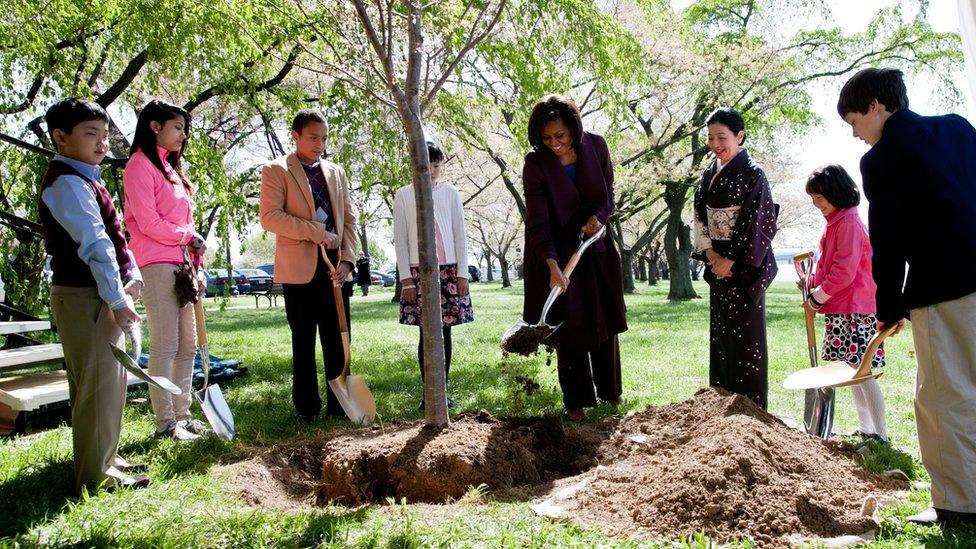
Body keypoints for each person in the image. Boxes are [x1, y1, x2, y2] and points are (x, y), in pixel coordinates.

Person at [838, 67, 976, 526]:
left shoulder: (882, 158)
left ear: (877, 106)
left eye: (854, 120)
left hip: (945, 288)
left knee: (944, 397)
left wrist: (889, 307)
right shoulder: (958, 126)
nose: (856, 134)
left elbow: (890, 240)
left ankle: (958, 506)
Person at [38, 98, 148, 492]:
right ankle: (95, 474)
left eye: (104, 135)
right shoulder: (66, 182)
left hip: (98, 292)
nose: (103, 143)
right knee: (96, 385)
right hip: (82, 295)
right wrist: (118, 300)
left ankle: (107, 455)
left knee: (111, 381)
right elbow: (95, 244)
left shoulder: (87, 177)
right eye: (91, 135)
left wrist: (130, 277)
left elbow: (116, 241)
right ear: (61, 138)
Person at [521, 94, 627, 421]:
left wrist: (599, 218)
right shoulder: (535, 164)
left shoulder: (596, 146)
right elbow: (538, 222)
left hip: (594, 249)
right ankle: (576, 402)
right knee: (569, 327)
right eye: (547, 138)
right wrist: (552, 266)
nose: (554, 143)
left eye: (560, 136)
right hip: (557, 252)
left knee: (602, 322)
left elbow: (607, 195)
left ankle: (611, 394)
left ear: (573, 130)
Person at [259, 109, 358, 422]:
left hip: (335, 271)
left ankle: (341, 406)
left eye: (324, 138)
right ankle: (307, 408)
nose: (320, 144)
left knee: (338, 339)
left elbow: (350, 219)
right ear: (296, 136)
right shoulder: (276, 170)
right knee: (303, 341)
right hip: (298, 272)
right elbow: (270, 217)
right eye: (314, 137)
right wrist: (318, 233)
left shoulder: (335, 172)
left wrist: (348, 260)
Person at [123, 100, 208, 441]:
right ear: (155, 126)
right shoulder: (139, 166)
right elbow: (147, 222)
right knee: (166, 344)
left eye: (184, 129)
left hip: (182, 264)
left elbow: (185, 225)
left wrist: (196, 262)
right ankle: (165, 423)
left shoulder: (171, 169)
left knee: (187, 344)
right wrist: (188, 235)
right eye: (177, 127)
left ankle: (183, 415)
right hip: (157, 264)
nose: (183, 135)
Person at [692, 107, 777, 410]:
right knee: (722, 337)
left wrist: (732, 261)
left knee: (747, 340)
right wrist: (713, 255)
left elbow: (760, 222)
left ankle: (752, 409)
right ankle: (722, 404)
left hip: (743, 271)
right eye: (711, 138)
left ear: (739, 136)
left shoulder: (754, 174)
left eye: (722, 137)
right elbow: (700, 218)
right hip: (718, 266)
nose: (716, 144)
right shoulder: (707, 174)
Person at [802, 165, 887, 442]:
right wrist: (812, 282)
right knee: (850, 371)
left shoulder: (849, 223)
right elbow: (829, 267)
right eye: (813, 198)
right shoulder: (836, 223)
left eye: (819, 197)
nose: (816, 204)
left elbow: (844, 272)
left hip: (856, 310)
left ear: (835, 192)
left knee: (862, 372)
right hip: (842, 308)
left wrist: (817, 298)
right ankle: (866, 428)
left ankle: (881, 434)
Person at [393, 142, 473, 410]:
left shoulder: (450, 193)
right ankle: (428, 394)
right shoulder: (404, 195)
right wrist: (406, 279)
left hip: (448, 269)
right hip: (417, 272)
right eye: (427, 166)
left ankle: (442, 390)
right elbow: (400, 240)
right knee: (425, 335)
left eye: (437, 165)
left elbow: (459, 233)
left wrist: (462, 273)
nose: (433, 171)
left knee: (444, 332)